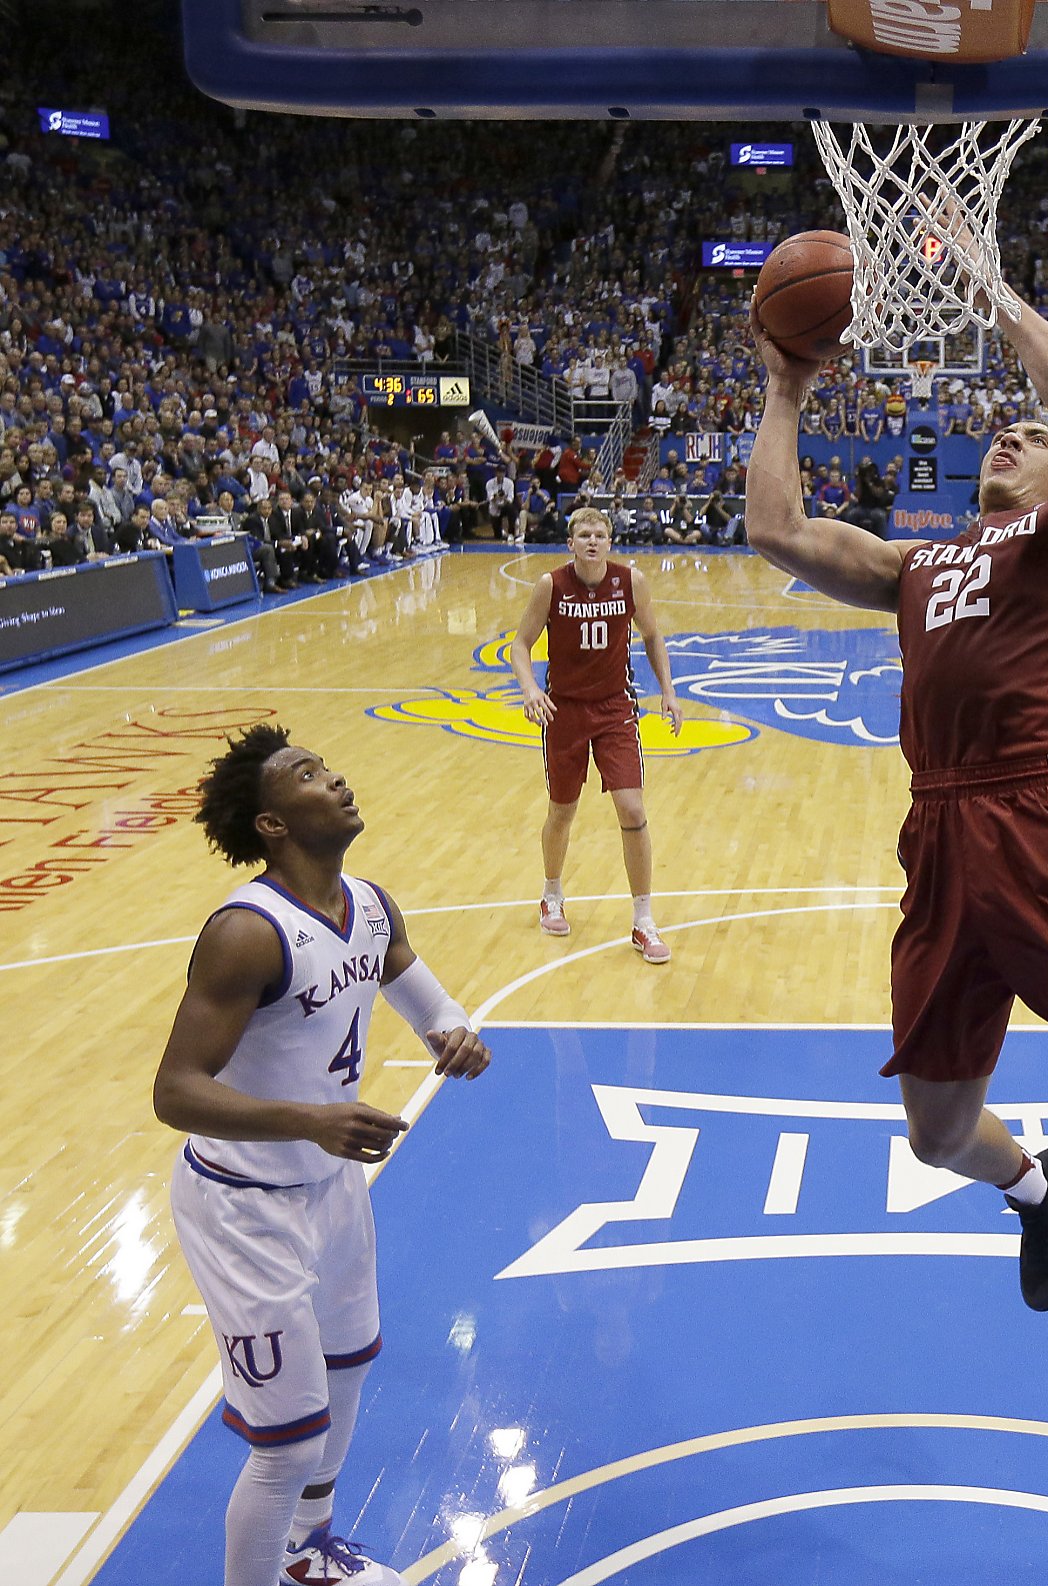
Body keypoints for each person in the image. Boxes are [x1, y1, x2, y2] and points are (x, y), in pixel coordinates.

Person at [745, 267, 1048, 1314]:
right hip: (939, 832)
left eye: (1027, 435)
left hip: (1037, 815)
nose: (1007, 438)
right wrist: (785, 385)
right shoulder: (915, 562)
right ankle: (1037, 1182)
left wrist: (989, 292)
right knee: (936, 1130)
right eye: (997, 434)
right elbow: (776, 531)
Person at [153, 725, 491, 1586]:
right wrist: (308, 1119)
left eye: (327, 764)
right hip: (243, 1204)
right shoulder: (247, 933)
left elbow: (416, 986)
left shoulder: (369, 903)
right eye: (308, 774)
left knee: (348, 1368)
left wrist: (452, 1033)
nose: (335, 777)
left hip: (333, 1183)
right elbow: (176, 1090)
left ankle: (307, 1551)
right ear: (271, 824)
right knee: (286, 1442)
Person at [506, 507, 682, 963]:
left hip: (614, 707)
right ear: (570, 543)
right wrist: (529, 689)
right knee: (562, 810)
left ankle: (643, 920)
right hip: (563, 709)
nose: (592, 541)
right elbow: (519, 645)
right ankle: (551, 892)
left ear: (609, 541)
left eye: (600, 534)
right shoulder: (551, 586)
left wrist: (668, 691)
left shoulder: (630, 582)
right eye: (583, 534)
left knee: (632, 807)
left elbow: (653, 635)